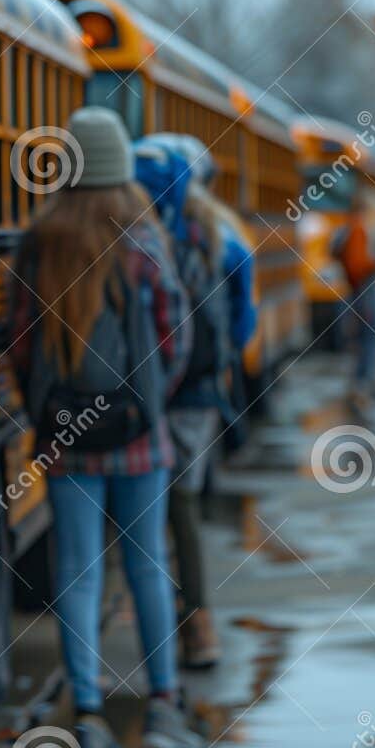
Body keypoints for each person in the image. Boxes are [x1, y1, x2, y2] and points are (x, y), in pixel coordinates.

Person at [8, 108, 206, 748]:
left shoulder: (42, 241)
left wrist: (48, 407)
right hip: (139, 438)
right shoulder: (144, 237)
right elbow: (176, 335)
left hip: (67, 438)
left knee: (77, 573)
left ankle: (88, 718)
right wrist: (150, 397)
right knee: (149, 566)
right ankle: (163, 706)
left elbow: (20, 341)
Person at [133, 137, 257, 672]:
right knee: (182, 503)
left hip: (140, 387)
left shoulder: (138, 234)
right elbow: (245, 324)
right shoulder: (223, 238)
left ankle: (148, 617)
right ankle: (198, 624)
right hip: (199, 393)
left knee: (140, 508)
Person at [330, 190, 375, 409]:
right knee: (373, 336)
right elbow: (359, 264)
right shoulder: (360, 230)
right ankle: (362, 384)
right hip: (366, 290)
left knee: (363, 338)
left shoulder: (348, 228)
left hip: (357, 291)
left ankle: (359, 383)